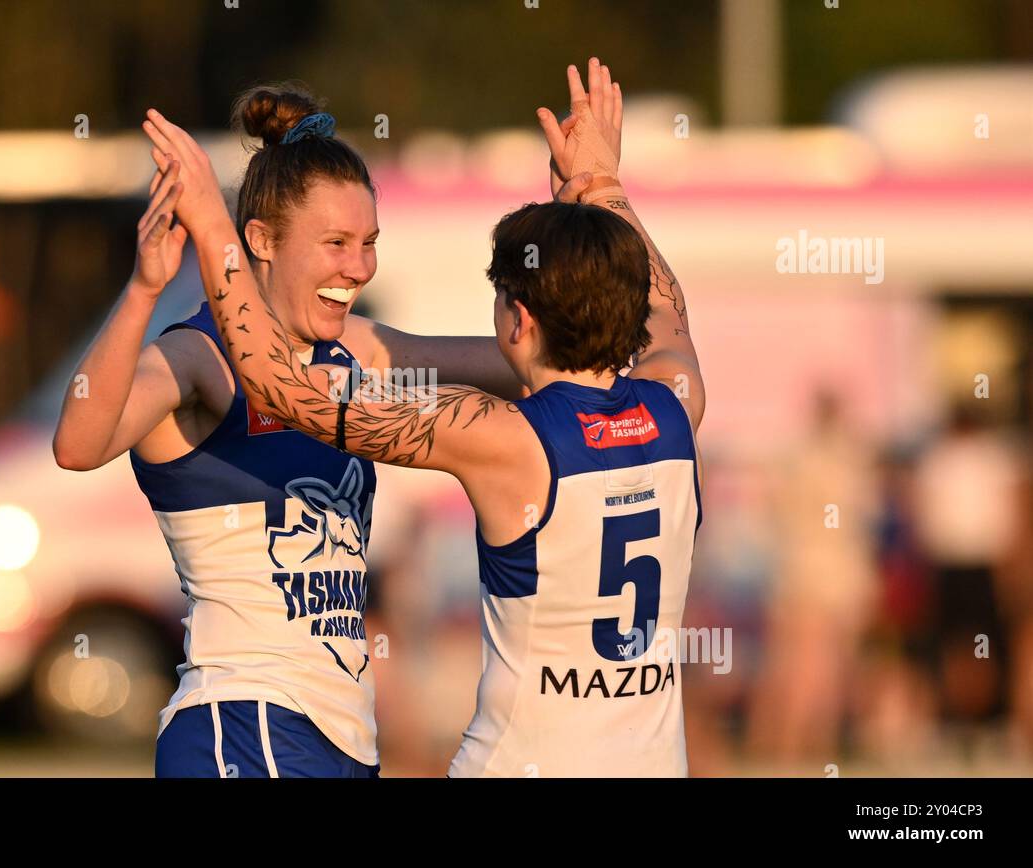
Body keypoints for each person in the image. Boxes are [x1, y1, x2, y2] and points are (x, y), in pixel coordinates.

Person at [150, 58, 707, 776]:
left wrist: (213, 232)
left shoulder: (505, 439)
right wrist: (602, 185)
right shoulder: (677, 403)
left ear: (518, 321)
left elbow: (286, 392)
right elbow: (668, 314)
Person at [53, 82, 575, 777]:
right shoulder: (199, 356)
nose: (356, 268)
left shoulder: (356, 350)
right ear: (260, 240)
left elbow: (537, 366)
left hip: (340, 735)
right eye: (334, 243)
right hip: (243, 722)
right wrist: (145, 289)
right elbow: (78, 444)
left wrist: (579, 214)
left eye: (368, 243)